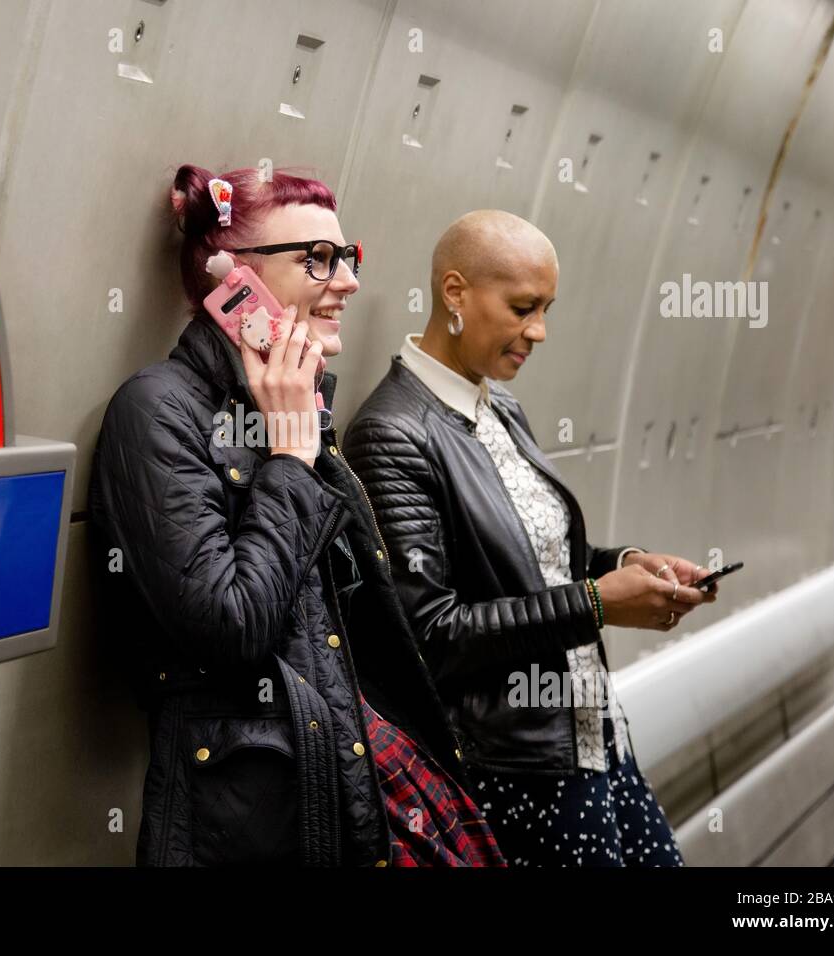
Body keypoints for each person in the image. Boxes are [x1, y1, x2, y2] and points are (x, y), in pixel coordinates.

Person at [88, 166, 504, 866]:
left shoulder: (293, 408)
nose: (346, 281)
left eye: (348, 258)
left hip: (351, 771)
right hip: (260, 818)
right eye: (317, 259)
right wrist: (288, 456)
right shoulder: (158, 412)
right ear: (232, 282)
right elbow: (232, 626)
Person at [344, 209, 719, 866]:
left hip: (592, 735)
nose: (539, 331)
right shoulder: (392, 433)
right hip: (517, 768)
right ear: (455, 293)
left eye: (546, 308)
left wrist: (632, 565)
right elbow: (432, 633)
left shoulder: (501, 406)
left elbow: (540, 566)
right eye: (523, 308)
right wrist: (601, 605)